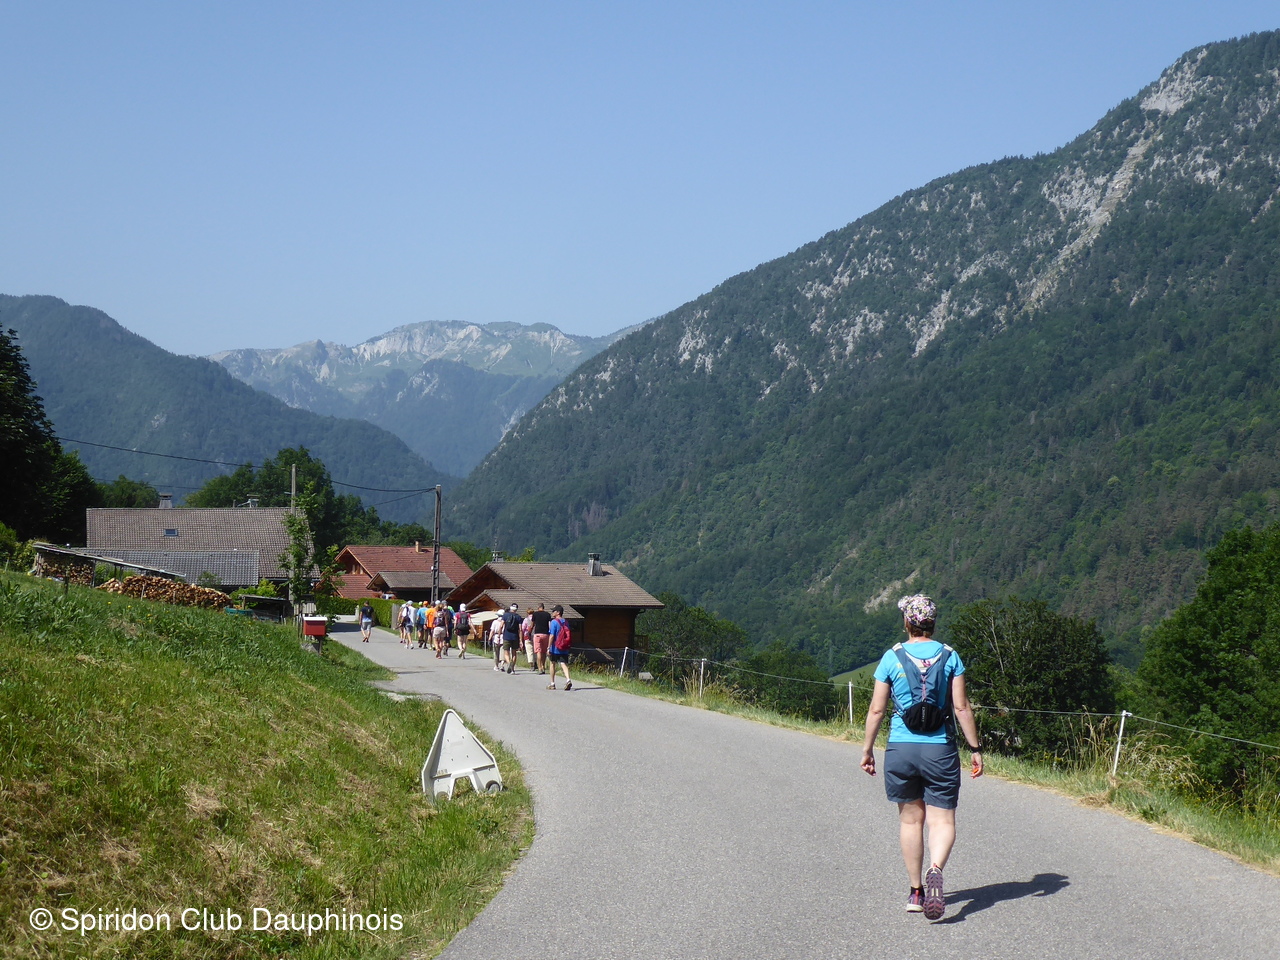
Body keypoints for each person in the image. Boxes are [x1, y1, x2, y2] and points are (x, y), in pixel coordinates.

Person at [860, 595, 983, 920]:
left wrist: (868, 749)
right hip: (939, 748)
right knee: (942, 820)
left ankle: (916, 891)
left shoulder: (891, 657)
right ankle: (935, 867)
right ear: (932, 623)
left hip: (902, 748)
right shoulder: (950, 656)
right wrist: (975, 748)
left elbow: (876, 709)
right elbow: (960, 707)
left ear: (907, 623)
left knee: (910, 820)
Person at [546, 605, 573, 691]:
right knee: (563, 663)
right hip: (564, 647)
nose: (552, 612)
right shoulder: (566, 622)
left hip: (555, 647)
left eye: (554, 611)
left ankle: (552, 683)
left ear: (558, 612)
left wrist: (548, 647)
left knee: (552, 663)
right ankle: (568, 679)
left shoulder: (554, 622)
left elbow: (552, 635)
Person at [530, 602, 552, 675]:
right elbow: (549, 625)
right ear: (543, 607)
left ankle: (540, 668)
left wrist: (529, 631)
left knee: (538, 651)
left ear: (538, 607)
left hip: (537, 634)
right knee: (544, 651)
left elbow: (532, 624)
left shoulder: (535, 614)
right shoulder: (548, 614)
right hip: (546, 634)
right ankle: (543, 666)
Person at [501, 603, 522, 674]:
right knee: (514, 653)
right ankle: (512, 668)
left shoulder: (505, 615)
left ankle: (509, 663)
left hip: (506, 636)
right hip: (515, 637)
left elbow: (501, 625)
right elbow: (520, 629)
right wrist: (521, 640)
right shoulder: (518, 617)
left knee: (506, 652)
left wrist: (499, 634)